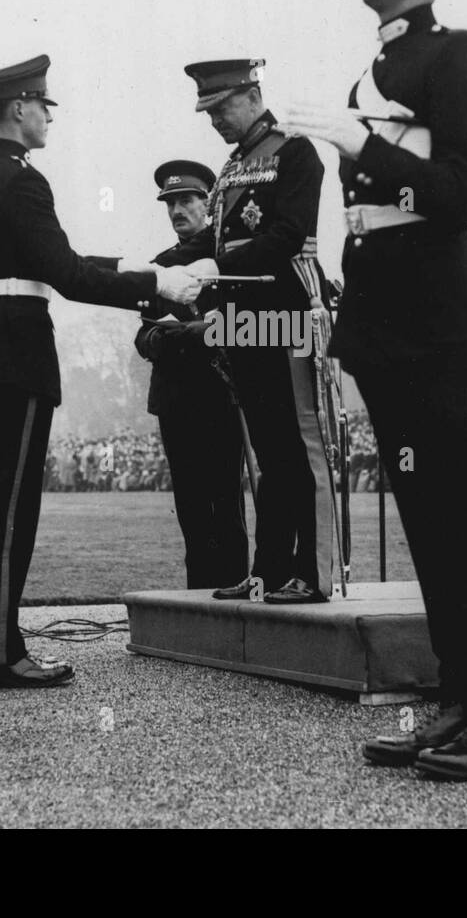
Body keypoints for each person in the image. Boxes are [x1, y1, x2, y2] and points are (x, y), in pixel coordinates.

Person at [284, 0, 467, 782]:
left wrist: (362, 146)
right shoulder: (372, 69)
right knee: (428, 525)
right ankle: (459, 701)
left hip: (442, 316)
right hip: (384, 315)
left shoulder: (456, 57)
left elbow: (463, 196)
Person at [0, 52, 199, 689]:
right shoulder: (24, 181)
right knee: (9, 513)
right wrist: (159, 287)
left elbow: (55, 256)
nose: (49, 116)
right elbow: (66, 275)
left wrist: (140, 268)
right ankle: (2, 656)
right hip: (16, 353)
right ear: (18, 108)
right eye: (43, 104)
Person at [180, 57, 339, 605]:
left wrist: (217, 269)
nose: (216, 120)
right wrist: (158, 267)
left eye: (222, 107)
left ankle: (314, 573)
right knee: (269, 452)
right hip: (242, 315)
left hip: (287, 309)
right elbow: (216, 242)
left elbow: (290, 233)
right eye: (210, 111)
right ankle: (268, 570)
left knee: (300, 444)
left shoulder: (294, 151)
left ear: (252, 95)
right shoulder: (231, 166)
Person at [133, 159, 249, 589]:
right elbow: (143, 336)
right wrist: (165, 339)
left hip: (221, 392)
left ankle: (235, 598)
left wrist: (193, 332)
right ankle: (199, 601)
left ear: (209, 205)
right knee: (191, 507)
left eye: (187, 201)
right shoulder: (158, 267)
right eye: (171, 203)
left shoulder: (228, 258)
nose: (177, 210)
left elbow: (247, 326)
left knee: (226, 501)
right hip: (176, 396)